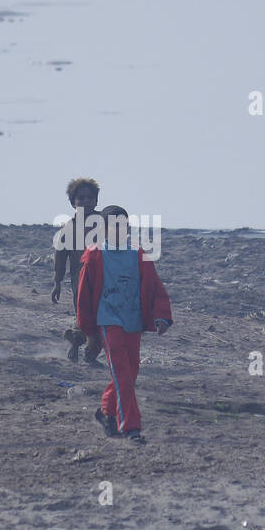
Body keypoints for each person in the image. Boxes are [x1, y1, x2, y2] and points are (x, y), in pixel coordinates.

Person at [76, 206, 173, 445]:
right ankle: (131, 427)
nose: (120, 229)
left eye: (123, 224)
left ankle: (105, 411)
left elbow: (155, 288)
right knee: (122, 374)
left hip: (133, 322)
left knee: (130, 374)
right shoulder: (95, 256)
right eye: (113, 225)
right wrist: (89, 332)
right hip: (109, 323)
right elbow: (84, 297)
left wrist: (161, 317)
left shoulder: (138, 255)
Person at [53, 177, 102, 363]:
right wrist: (57, 281)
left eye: (90, 198)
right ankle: (76, 341)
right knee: (84, 314)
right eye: (80, 198)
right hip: (80, 279)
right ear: (73, 202)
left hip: (103, 279)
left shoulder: (104, 223)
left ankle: (87, 350)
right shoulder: (68, 228)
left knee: (101, 316)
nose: (85, 201)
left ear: (96, 200)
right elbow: (60, 255)